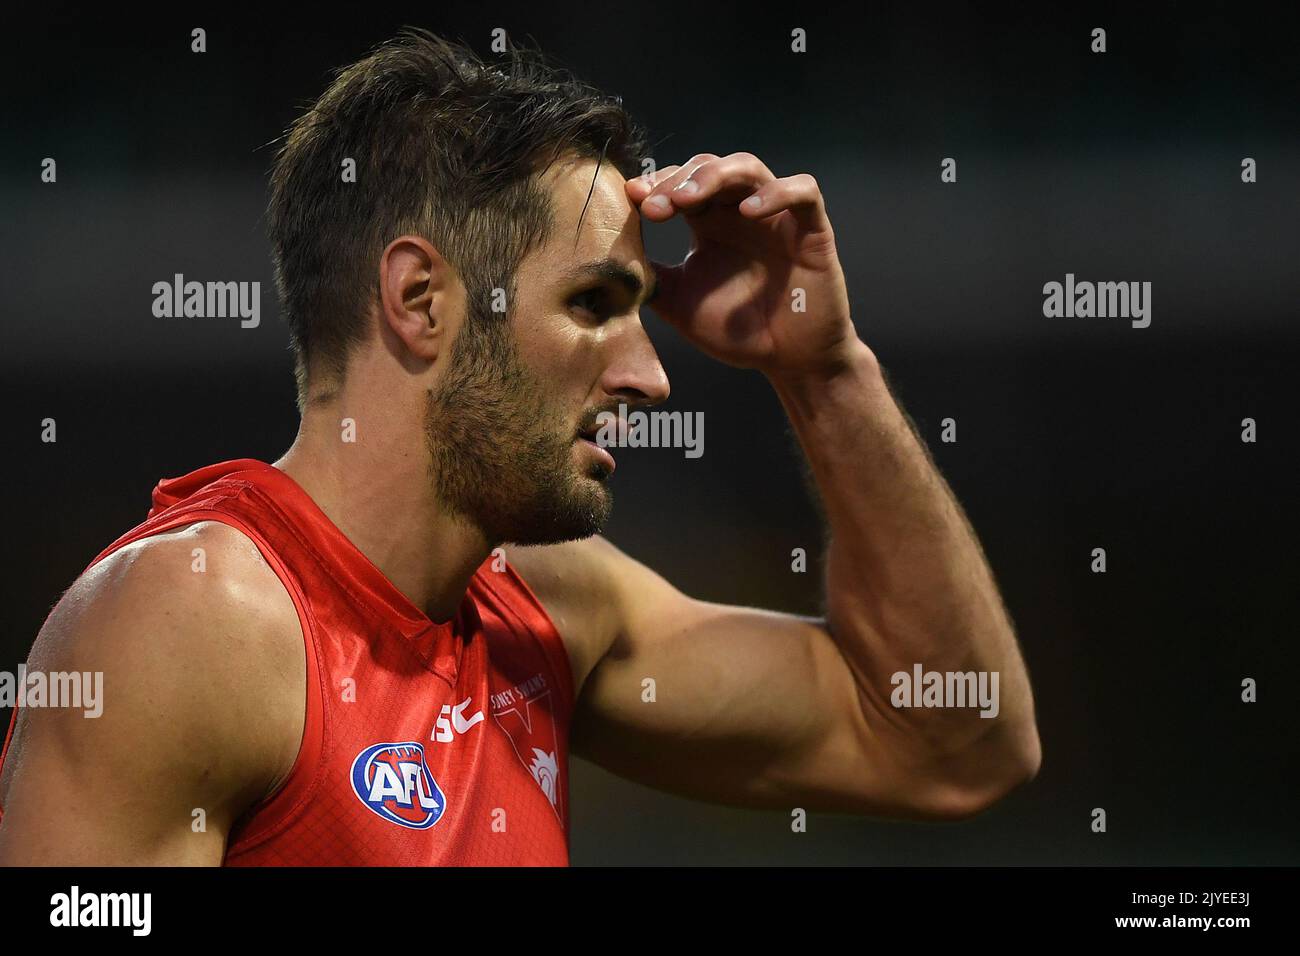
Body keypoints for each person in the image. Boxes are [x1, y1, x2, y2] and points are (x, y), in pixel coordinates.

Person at [0, 28, 1039, 865]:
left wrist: (825, 369)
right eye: (593, 303)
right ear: (420, 299)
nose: (650, 374)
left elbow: (949, 742)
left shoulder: (547, 608)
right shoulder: (197, 621)